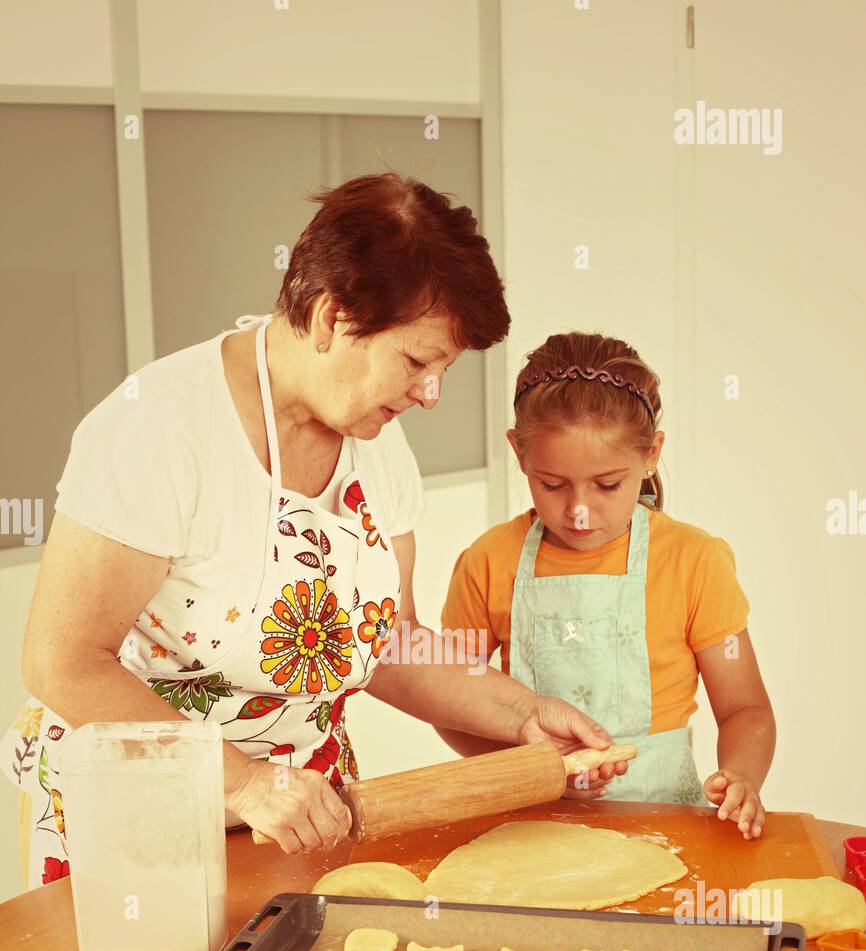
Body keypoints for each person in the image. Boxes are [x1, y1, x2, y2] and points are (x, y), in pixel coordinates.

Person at [3, 178, 628, 891]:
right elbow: (64, 662)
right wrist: (240, 784)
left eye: (443, 369)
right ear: (332, 318)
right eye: (418, 362)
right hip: (141, 812)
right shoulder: (159, 430)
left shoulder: (377, 443)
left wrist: (522, 713)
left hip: (306, 809)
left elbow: (391, 641)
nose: (430, 396)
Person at [438, 331, 776, 837]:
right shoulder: (488, 562)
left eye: (607, 485)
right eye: (552, 484)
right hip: (533, 826)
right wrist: (534, 770)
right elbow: (449, 701)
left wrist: (743, 778)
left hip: (668, 825)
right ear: (518, 451)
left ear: (651, 455)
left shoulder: (693, 561)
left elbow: (745, 708)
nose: (577, 510)